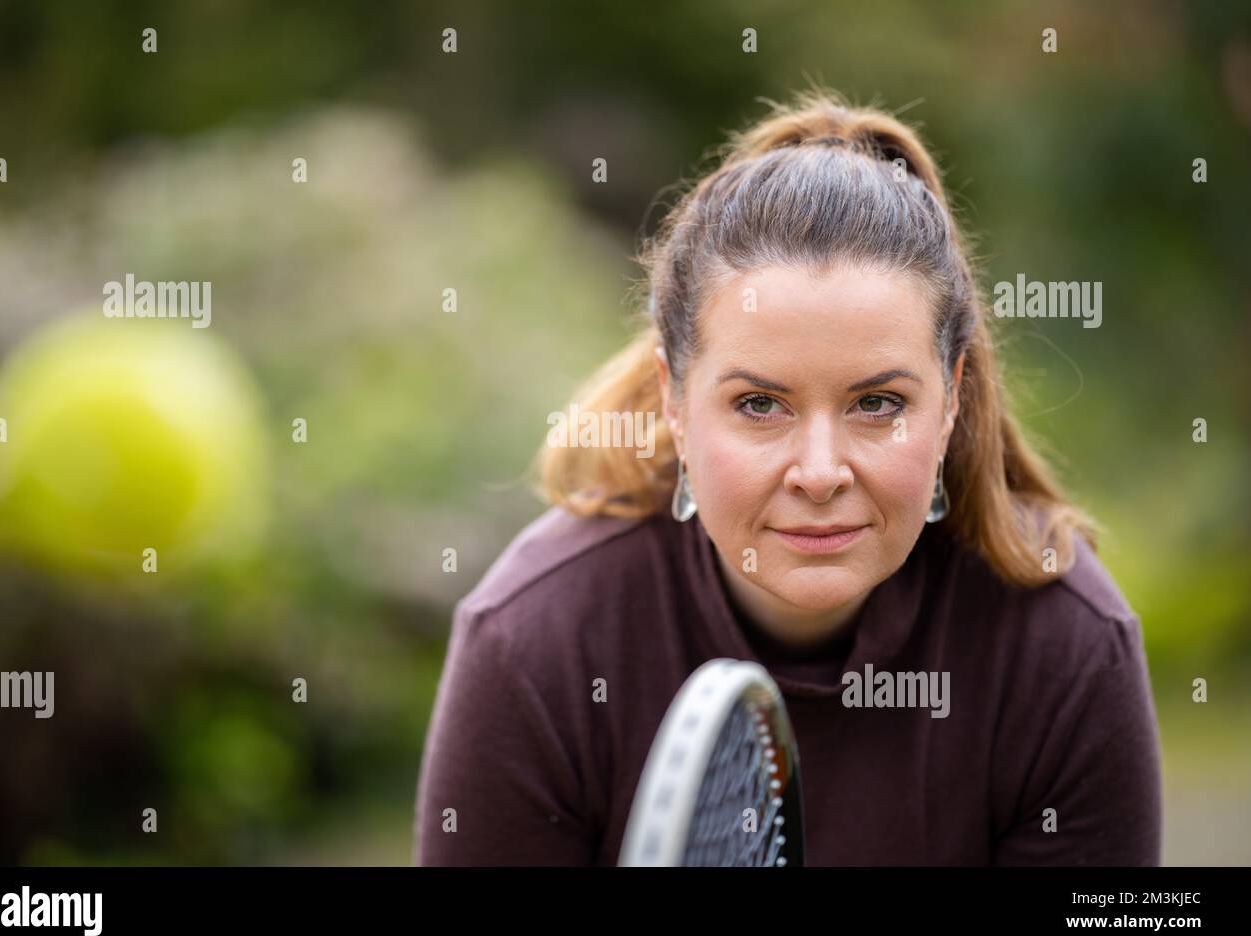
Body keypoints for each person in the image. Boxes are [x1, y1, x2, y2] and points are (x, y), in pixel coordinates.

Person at [412, 88, 1163, 866]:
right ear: (674, 400)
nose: (819, 472)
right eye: (760, 404)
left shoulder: (1068, 646)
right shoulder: (533, 643)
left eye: (878, 403)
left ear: (951, 400)